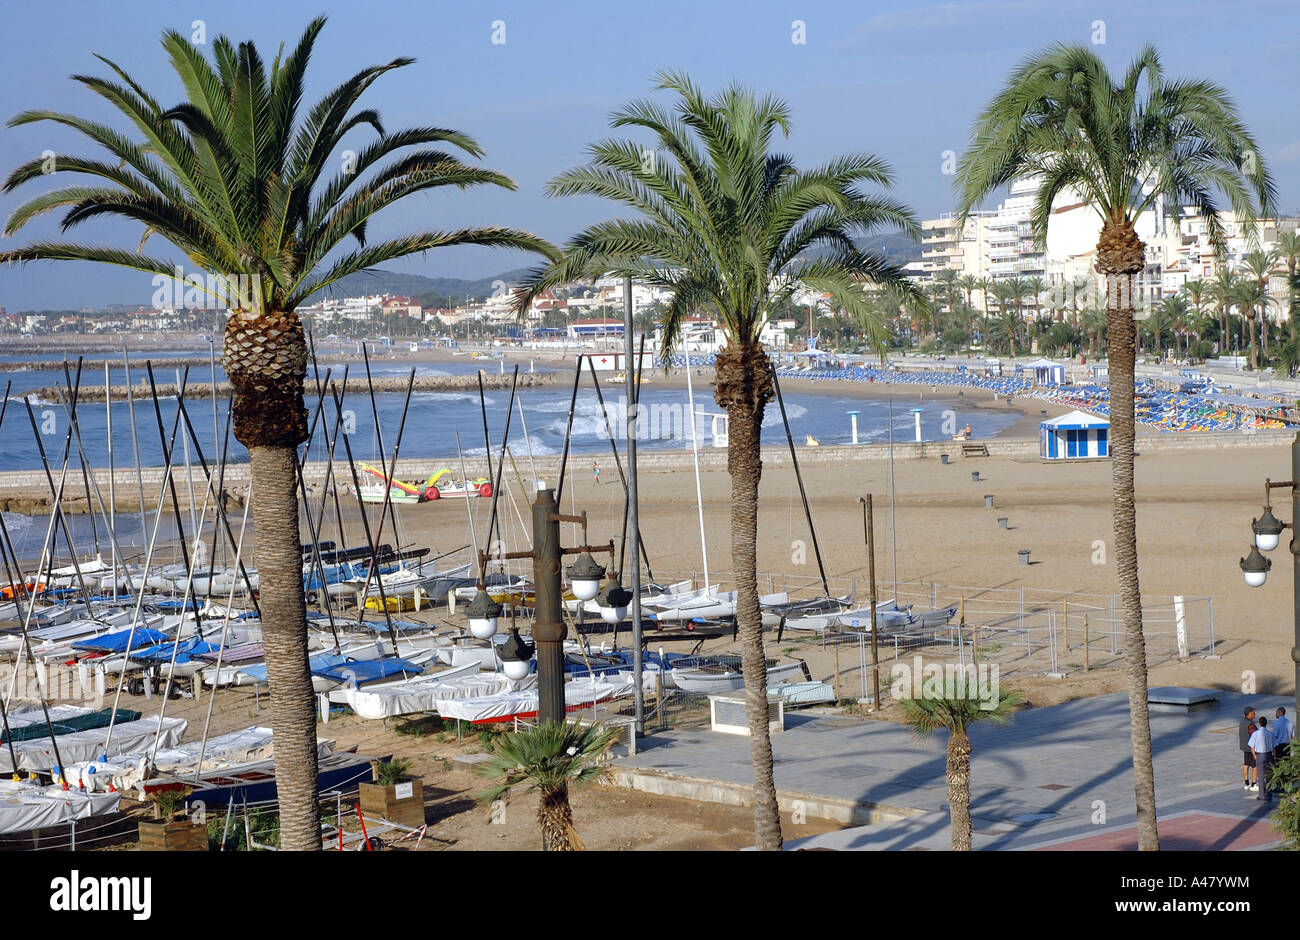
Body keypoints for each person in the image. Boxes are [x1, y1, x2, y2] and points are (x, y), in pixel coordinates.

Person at [1250, 716, 1275, 802]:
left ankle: (1261, 794)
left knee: (1260, 775)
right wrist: (1273, 756)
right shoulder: (1270, 734)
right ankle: (1268, 793)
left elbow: (1252, 746)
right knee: (1268, 775)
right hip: (1268, 755)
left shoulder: (1255, 734)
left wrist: (1254, 756)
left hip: (1259, 755)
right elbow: (1274, 747)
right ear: (1266, 723)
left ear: (1259, 724)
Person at [1241, 706, 1258, 791]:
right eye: (1253, 713)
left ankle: (1246, 783)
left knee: (1246, 764)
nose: (1254, 714)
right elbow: (1254, 735)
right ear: (1249, 713)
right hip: (1251, 748)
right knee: (1255, 765)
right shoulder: (1250, 724)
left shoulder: (1242, 722)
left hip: (1244, 747)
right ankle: (1254, 784)